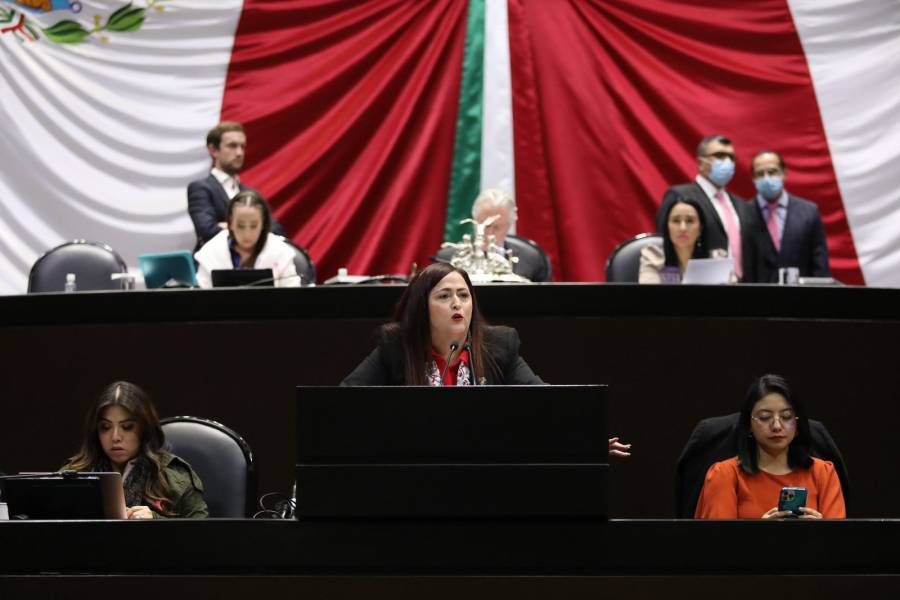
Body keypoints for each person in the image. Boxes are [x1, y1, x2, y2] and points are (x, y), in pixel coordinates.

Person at [342, 262, 630, 457]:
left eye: (463, 295)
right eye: (444, 296)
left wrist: (584, 437)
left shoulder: (497, 346)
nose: (457, 303)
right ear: (422, 308)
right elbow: (346, 402)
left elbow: (544, 402)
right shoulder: (396, 347)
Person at [694, 374, 845, 519]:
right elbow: (717, 536)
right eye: (765, 417)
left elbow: (839, 536)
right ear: (748, 425)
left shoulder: (823, 474)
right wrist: (763, 531)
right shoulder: (725, 475)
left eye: (786, 417)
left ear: (798, 424)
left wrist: (819, 530)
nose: (777, 426)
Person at [62, 381, 209, 519]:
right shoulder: (72, 476)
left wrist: (156, 521)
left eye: (127, 427)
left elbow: (203, 532)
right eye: (105, 427)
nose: (115, 437)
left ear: (144, 428)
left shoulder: (173, 476)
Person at [656, 134, 758, 281]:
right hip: (698, 284)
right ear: (700, 163)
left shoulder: (741, 205)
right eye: (719, 155)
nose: (727, 162)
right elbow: (665, 244)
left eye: (731, 157)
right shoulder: (680, 196)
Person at [187, 122, 285, 249]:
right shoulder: (200, 188)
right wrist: (255, 229)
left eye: (242, 147)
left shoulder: (252, 193)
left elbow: (277, 231)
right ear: (213, 150)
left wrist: (227, 226)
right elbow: (208, 231)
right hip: (215, 259)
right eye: (232, 146)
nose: (239, 153)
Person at [744, 150, 831, 283]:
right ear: (753, 179)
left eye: (772, 172)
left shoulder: (809, 212)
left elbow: (820, 265)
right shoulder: (743, 213)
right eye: (760, 174)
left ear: (784, 173)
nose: (766, 178)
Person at [194, 190, 300, 288]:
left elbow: (293, 294)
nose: (247, 234)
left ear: (263, 223)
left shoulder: (281, 251)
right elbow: (201, 295)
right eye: (240, 225)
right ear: (231, 223)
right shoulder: (210, 252)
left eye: (254, 226)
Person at [470, 189, 552, 282]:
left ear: (508, 226)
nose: (490, 233)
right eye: (485, 225)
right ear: (474, 221)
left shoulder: (531, 258)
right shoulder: (457, 257)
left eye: (497, 227)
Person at [639, 196, 716, 283]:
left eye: (690, 221)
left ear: (700, 229)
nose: (683, 228)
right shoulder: (653, 256)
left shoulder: (715, 260)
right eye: (676, 221)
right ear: (667, 227)